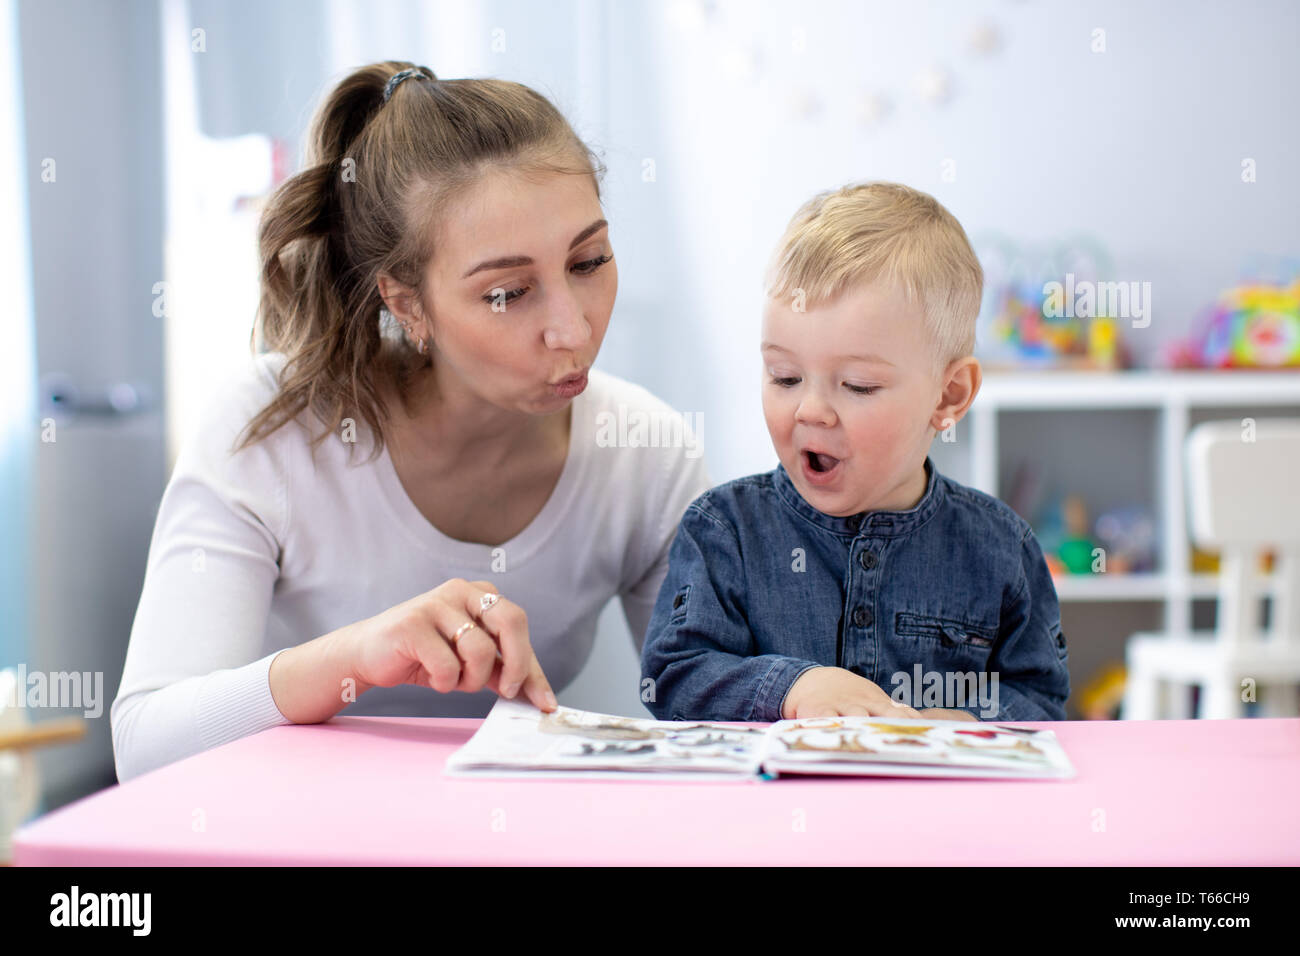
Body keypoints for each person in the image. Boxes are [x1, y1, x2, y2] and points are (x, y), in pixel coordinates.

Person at [110, 61, 710, 782]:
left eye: (589, 261)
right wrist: (354, 657)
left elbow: (705, 725)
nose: (571, 328)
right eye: (508, 292)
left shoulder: (644, 453)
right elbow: (143, 746)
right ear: (407, 304)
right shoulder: (269, 432)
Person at [640, 182, 1070, 723]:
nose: (811, 410)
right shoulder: (724, 531)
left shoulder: (1000, 548)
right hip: (769, 807)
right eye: (785, 376)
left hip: (935, 807)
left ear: (949, 395)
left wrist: (970, 724)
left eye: (859, 385)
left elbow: (1040, 697)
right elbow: (672, 678)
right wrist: (793, 689)